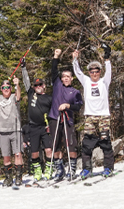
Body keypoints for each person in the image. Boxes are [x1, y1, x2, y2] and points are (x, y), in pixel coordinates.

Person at [72, 47, 114, 177]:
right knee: (87, 143)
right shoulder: (86, 81)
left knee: (105, 140)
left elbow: (109, 72)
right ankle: (87, 169)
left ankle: (108, 168)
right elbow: (77, 72)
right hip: (90, 116)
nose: (94, 74)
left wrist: (107, 59)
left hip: (103, 115)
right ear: (89, 72)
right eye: (91, 71)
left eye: (96, 71)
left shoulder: (104, 82)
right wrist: (74, 59)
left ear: (100, 72)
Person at [47, 49, 82, 180]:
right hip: (55, 117)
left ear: (72, 79)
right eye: (64, 76)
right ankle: (59, 169)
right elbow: (54, 69)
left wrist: (68, 106)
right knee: (55, 145)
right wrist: (56, 56)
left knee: (71, 145)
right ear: (61, 78)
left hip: (68, 120)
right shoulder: (57, 84)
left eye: (68, 76)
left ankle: (72, 169)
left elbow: (78, 106)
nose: (66, 78)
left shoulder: (75, 91)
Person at [0, 76, 25, 187]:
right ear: (1, 89)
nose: (6, 89)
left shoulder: (14, 96)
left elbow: (18, 95)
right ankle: (9, 177)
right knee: (6, 156)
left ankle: (19, 177)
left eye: (8, 87)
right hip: (3, 131)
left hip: (15, 130)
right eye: (3, 87)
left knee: (18, 154)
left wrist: (17, 84)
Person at [20, 67, 52, 181]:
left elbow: (53, 112)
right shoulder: (31, 94)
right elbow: (26, 81)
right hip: (33, 127)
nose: (38, 87)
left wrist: (50, 124)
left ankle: (48, 169)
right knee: (34, 152)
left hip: (44, 127)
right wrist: (23, 67)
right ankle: (37, 171)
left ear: (44, 85)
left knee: (48, 150)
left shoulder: (49, 98)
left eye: (40, 85)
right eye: (36, 85)